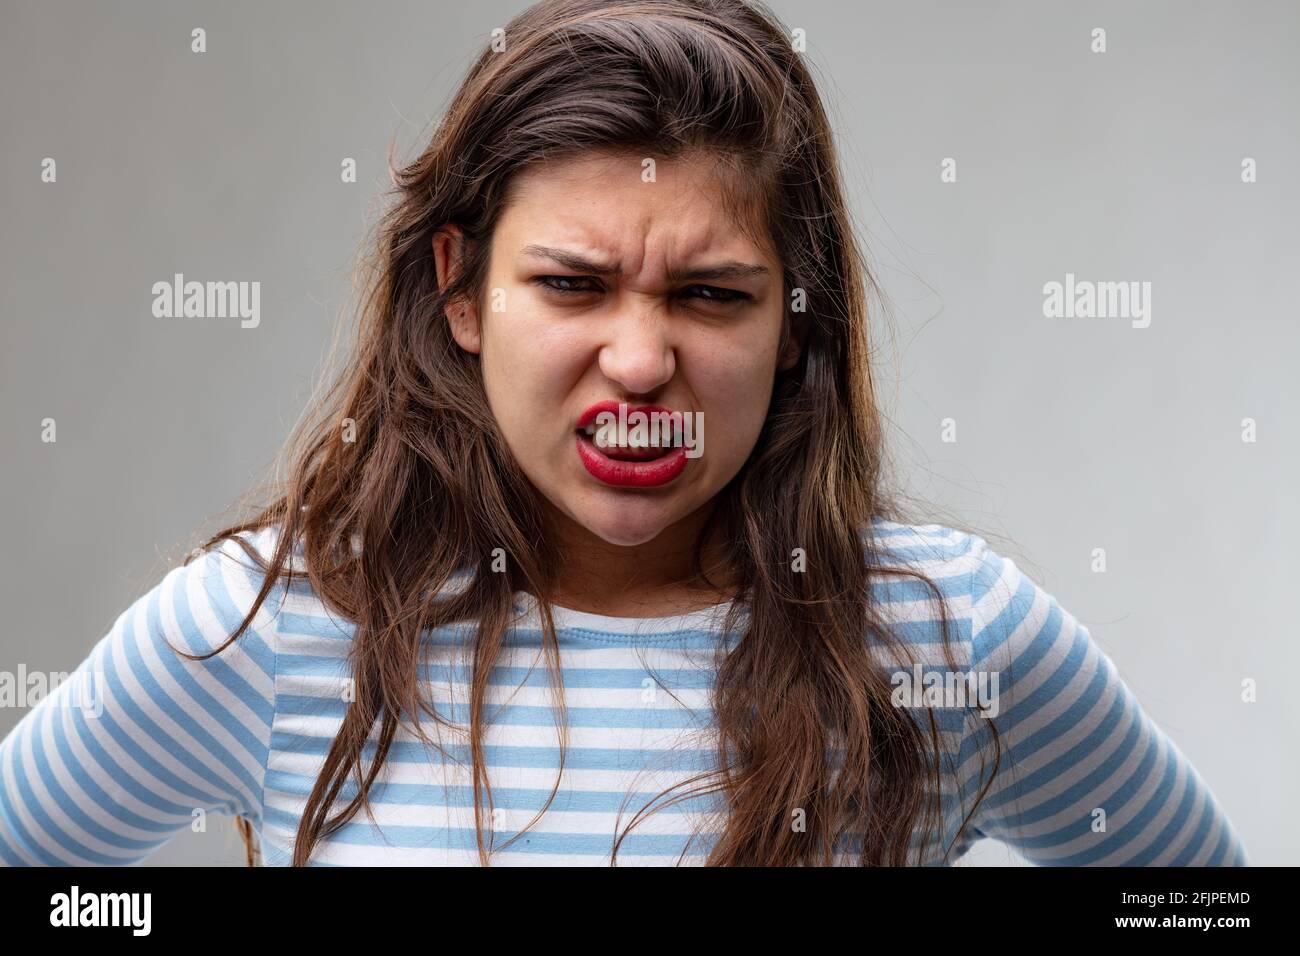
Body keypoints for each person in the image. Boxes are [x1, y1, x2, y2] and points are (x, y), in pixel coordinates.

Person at [0, 0, 1247, 867]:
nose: (642, 357)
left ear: (796, 321)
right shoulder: (269, 624)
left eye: (711, 295)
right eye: (572, 284)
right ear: (459, 291)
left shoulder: (952, 636)